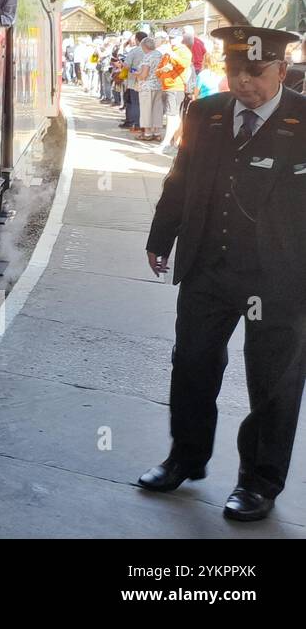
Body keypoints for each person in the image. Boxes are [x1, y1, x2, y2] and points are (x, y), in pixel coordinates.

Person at [140, 26, 306, 521]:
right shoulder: (206, 112)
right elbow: (181, 177)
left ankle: (259, 481)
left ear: (282, 69)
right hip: (208, 269)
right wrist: (160, 236)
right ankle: (185, 458)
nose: (243, 82)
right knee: (191, 365)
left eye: (255, 73)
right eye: (235, 71)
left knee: (273, 382)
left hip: (279, 279)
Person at [156, 30, 193, 157]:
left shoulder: (183, 51)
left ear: (180, 38)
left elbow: (185, 64)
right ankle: (172, 143)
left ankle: (168, 143)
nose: (172, 40)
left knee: (173, 116)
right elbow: (158, 70)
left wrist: (172, 54)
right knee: (172, 116)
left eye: (174, 38)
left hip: (176, 87)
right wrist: (162, 70)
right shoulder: (168, 52)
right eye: (170, 38)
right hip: (166, 86)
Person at [135, 36, 164, 142]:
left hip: (147, 86)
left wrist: (137, 75)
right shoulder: (159, 55)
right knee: (157, 109)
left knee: (146, 110)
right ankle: (157, 132)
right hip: (159, 85)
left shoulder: (147, 56)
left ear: (144, 46)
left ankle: (147, 133)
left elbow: (144, 74)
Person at [120, 30, 147, 132]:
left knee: (136, 103)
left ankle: (137, 124)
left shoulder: (134, 51)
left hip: (135, 80)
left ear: (137, 40)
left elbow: (126, 65)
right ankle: (145, 125)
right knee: (145, 104)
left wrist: (122, 64)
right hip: (148, 80)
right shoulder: (151, 51)